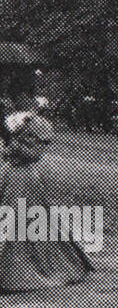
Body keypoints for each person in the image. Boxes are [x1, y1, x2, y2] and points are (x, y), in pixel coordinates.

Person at [0, 113, 93, 292]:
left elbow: (32, 152)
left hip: (22, 178)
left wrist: (13, 148)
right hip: (16, 177)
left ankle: (19, 270)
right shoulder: (18, 125)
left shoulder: (24, 124)